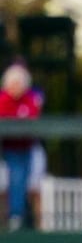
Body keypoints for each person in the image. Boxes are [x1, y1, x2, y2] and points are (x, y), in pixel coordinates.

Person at [0, 63, 40, 230]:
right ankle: (15, 216)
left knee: (25, 182)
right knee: (16, 178)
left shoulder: (30, 100)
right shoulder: (3, 100)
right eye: (13, 83)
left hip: (26, 148)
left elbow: (34, 119)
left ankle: (22, 217)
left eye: (19, 83)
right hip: (7, 149)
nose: (16, 87)